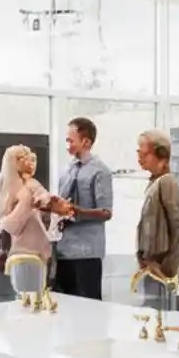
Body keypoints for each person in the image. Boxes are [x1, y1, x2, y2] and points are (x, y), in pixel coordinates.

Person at [54, 117, 113, 300]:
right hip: (64, 251)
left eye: (71, 140)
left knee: (89, 308)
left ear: (86, 142)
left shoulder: (100, 171)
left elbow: (106, 212)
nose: (68, 145)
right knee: (64, 306)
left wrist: (77, 212)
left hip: (87, 253)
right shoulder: (67, 170)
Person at [135, 129, 179, 280]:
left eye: (145, 154)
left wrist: (168, 269)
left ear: (162, 157)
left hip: (159, 266)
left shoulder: (166, 182)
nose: (140, 158)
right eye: (139, 153)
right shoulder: (154, 183)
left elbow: (178, 226)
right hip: (150, 264)